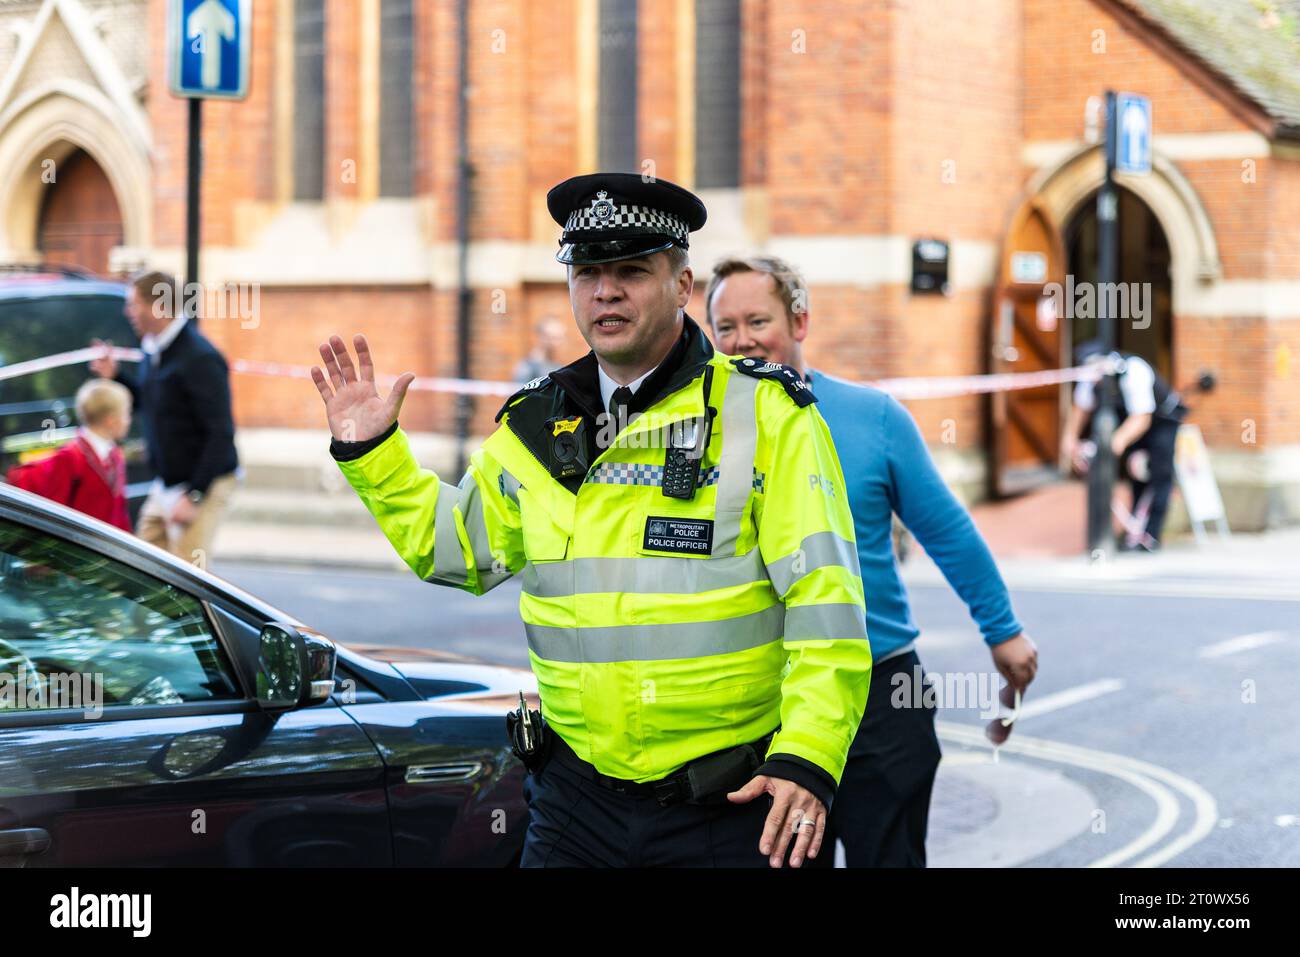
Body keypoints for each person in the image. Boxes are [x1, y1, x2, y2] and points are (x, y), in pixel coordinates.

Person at [312, 174, 872, 868]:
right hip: (577, 805)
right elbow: (455, 549)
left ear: (682, 285)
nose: (605, 290)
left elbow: (828, 605)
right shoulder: (536, 424)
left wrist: (810, 757)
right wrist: (374, 453)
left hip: (733, 809)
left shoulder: (767, 416)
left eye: (632, 270)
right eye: (587, 271)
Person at [706, 254, 1038, 867]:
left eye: (758, 321)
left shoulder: (874, 418)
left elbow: (948, 532)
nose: (742, 341)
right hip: (763, 704)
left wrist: (1003, 629)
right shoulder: (699, 433)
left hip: (882, 695)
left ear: (799, 322)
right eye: (725, 328)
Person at [88, 270, 240, 562]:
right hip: (167, 483)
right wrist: (117, 376)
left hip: (203, 484)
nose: (127, 312)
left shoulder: (200, 357)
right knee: (144, 566)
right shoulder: (154, 347)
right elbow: (151, 401)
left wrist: (194, 494)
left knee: (187, 574)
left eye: (133, 304)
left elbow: (221, 432)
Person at [1062, 339, 1188, 550]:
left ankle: (1151, 534)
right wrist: (1069, 442)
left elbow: (1141, 418)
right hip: (1132, 421)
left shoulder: (1133, 372)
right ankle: (1135, 531)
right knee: (1136, 473)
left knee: (1160, 474)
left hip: (1162, 420)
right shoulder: (1089, 378)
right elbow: (1080, 410)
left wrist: (1112, 445)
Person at [6, 378, 133, 532]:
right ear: (110, 420)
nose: (129, 421)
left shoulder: (114, 457)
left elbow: (120, 513)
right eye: (127, 414)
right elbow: (54, 510)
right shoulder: (71, 458)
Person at [512, 318, 567, 384]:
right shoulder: (528, 367)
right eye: (554, 337)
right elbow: (520, 392)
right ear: (541, 337)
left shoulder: (556, 364)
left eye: (561, 338)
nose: (558, 343)